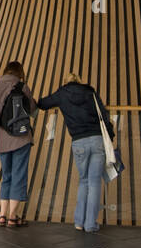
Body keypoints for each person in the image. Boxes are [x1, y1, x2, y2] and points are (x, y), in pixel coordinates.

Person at [36, 72, 114, 232]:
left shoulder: (62, 93)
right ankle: (91, 224)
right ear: (80, 81)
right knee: (94, 183)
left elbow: (43, 104)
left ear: (66, 82)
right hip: (97, 139)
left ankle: (79, 222)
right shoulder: (90, 92)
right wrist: (110, 136)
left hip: (79, 141)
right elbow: (104, 114)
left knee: (84, 181)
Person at [0, 61, 36, 228]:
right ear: (19, 72)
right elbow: (33, 109)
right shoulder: (22, 87)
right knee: (19, 175)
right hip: (20, 139)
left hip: (2, 140)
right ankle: (13, 216)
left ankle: (2, 215)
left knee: (7, 176)